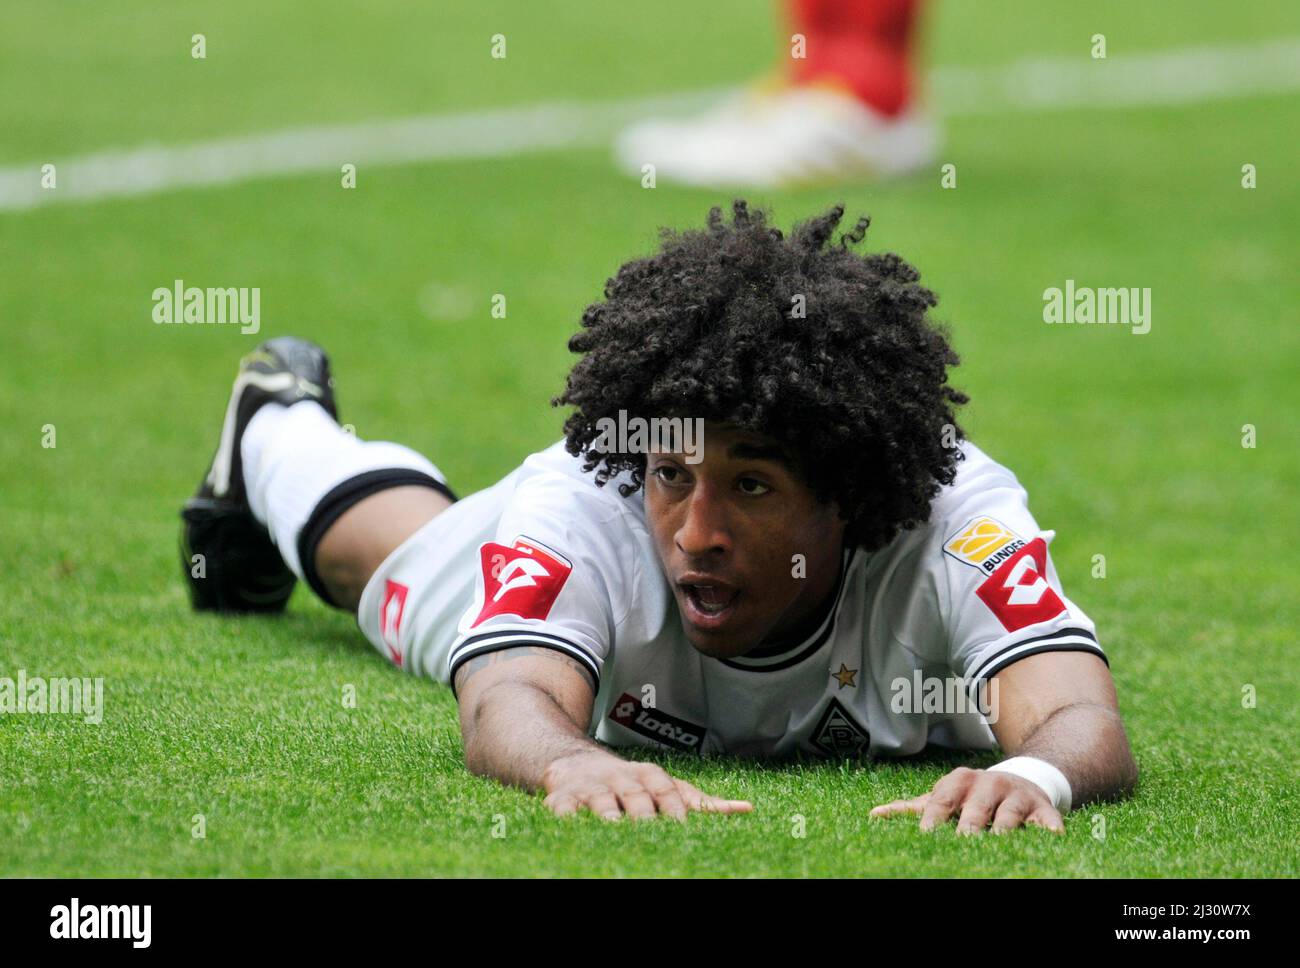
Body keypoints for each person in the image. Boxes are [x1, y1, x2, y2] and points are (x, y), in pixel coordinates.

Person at [180, 200, 1137, 830]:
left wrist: (1036, 777)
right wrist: (569, 763)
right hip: (544, 557)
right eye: (674, 474)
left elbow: (1077, 710)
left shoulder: (952, 519)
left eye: (752, 487)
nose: (695, 531)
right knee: (365, 565)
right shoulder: (590, 506)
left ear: (852, 497)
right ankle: (273, 417)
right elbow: (506, 701)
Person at [614, 0, 938, 187]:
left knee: (742, 159)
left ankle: (871, 108)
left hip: (864, 102)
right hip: (817, 86)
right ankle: (816, 87)